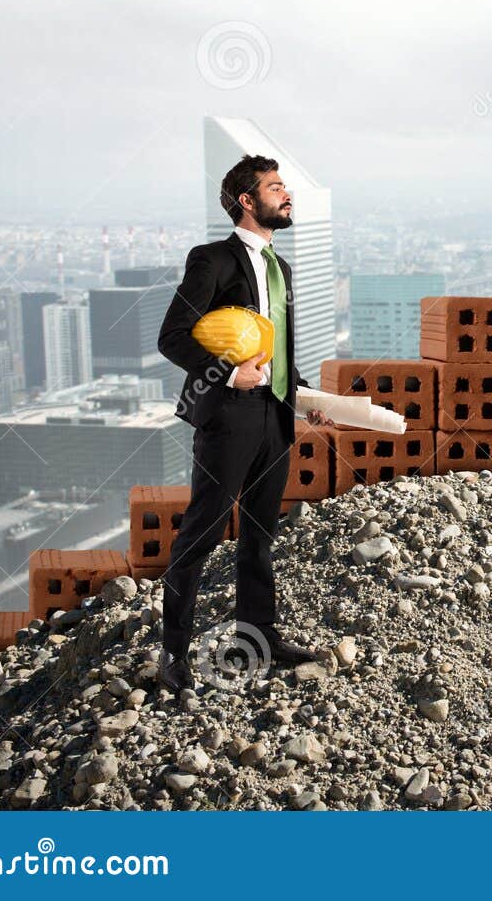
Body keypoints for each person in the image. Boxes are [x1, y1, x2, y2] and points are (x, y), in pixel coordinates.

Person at [154, 155, 329, 695]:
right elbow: (173, 336)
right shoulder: (212, 260)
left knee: (259, 536)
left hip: (276, 416)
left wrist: (301, 395)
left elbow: (275, 347)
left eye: (286, 186)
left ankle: (261, 635)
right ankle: (173, 655)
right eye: (275, 187)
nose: (287, 194)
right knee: (201, 536)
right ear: (247, 201)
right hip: (228, 417)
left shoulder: (283, 267)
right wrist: (228, 375)